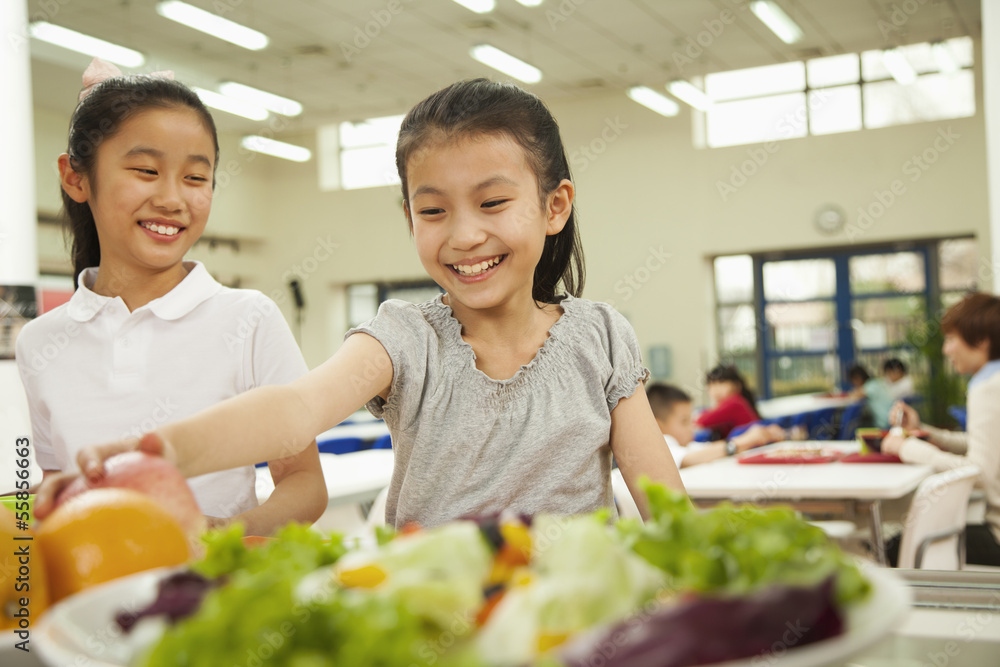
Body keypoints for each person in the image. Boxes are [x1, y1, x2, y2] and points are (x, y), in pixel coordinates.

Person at [36, 78, 685, 528]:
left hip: (583, 625)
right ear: (409, 217)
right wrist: (159, 449)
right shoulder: (403, 336)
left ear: (554, 206)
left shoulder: (600, 335)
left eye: (492, 203)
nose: (464, 234)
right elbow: (295, 408)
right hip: (437, 624)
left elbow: (659, 497)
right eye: (433, 210)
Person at [17, 59, 326, 536]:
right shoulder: (40, 341)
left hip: (210, 595)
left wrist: (229, 533)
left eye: (195, 178)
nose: (172, 198)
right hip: (92, 592)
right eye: (146, 170)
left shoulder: (249, 319)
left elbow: (304, 482)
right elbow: (57, 486)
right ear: (76, 177)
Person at [882, 292, 1000, 566]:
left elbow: (980, 473)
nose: (946, 350)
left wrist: (908, 448)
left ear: (982, 341)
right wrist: (925, 432)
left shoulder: (988, 387)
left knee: (893, 546)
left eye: (951, 339)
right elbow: (986, 445)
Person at [646, 383, 782, 467]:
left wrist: (758, 437)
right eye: (684, 421)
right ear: (658, 425)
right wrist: (742, 442)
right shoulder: (661, 445)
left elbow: (711, 450)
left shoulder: (686, 445)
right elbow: (687, 459)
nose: (691, 428)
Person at [694, 365, 760, 440]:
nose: (716, 389)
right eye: (711, 384)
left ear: (736, 386)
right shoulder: (734, 402)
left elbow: (702, 421)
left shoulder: (734, 402)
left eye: (721, 383)